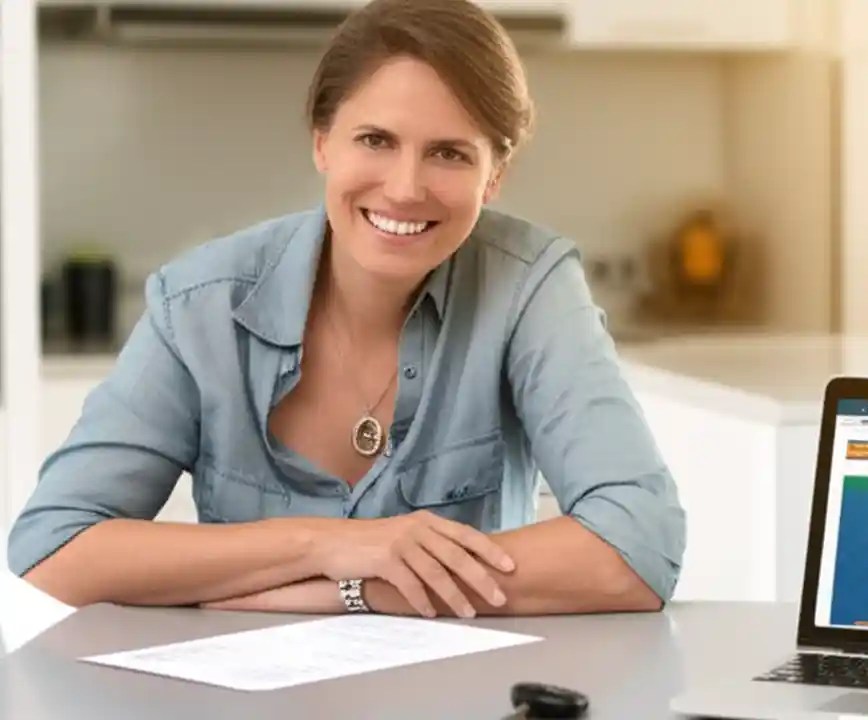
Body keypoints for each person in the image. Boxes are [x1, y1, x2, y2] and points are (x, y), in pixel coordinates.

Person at [6, 0, 685, 619]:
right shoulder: (199, 305)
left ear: (495, 175)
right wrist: (327, 545)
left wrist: (353, 594)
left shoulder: (530, 288)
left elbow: (638, 542)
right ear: (322, 140)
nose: (405, 187)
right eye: (375, 140)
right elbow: (52, 551)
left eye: (449, 153)